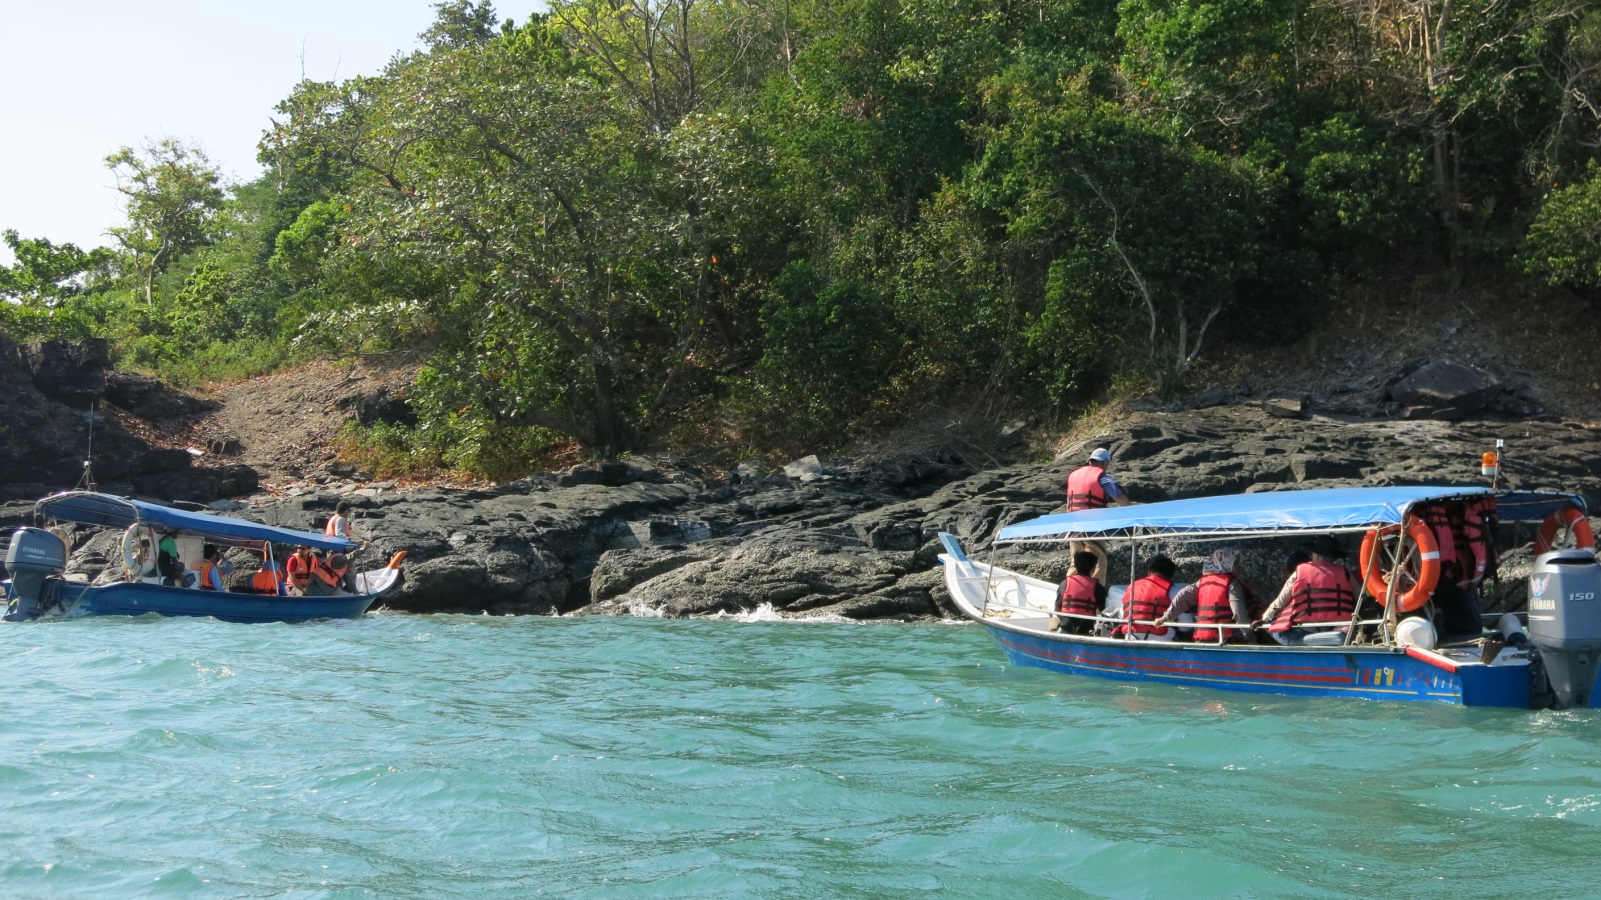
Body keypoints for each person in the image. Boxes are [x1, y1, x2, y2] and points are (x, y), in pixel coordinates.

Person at [1259, 535, 1355, 646]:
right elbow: (1360, 597)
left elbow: (1280, 601)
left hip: (1305, 630)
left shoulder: (1300, 571)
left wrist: (1265, 618)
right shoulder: (1345, 573)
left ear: (1317, 555)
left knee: (1274, 631)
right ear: (1334, 557)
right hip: (1335, 627)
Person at [1158, 548, 1255, 644]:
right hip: (1225, 639)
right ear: (1226, 563)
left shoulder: (1202, 582)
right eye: (1235, 563)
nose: (1238, 567)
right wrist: (1249, 636)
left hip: (1202, 639)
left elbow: (1182, 597)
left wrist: (1165, 618)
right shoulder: (1232, 584)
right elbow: (1239, 614)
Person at [1065, 448, 1130, 579]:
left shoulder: (1073, 476)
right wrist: (1132, 514)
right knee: (1099, 559)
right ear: (1104, 462)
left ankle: (1068, 591)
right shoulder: (1102, 476)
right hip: (1092, 525)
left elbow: (1068, 504)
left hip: (1074, 526)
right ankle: (1096, 592)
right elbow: (1119, 497)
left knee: (1076, 561)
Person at [1115, 554, 1176, 640]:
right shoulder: (1172, 589)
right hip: (1161, 637)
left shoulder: (1131, 586)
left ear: (1149, 571)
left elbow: (1123, 613)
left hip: (1131, 635)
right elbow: (1185, 624)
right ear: (1170, 575)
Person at [1055, 551, 1107, 635]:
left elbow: (1057, 609)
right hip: (1086, 631)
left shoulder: (1064, 583)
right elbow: (1103, 611)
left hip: (1066, 629)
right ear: (1094, 568)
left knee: (1053, 621)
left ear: (1075, 566)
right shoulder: (1098, 587)